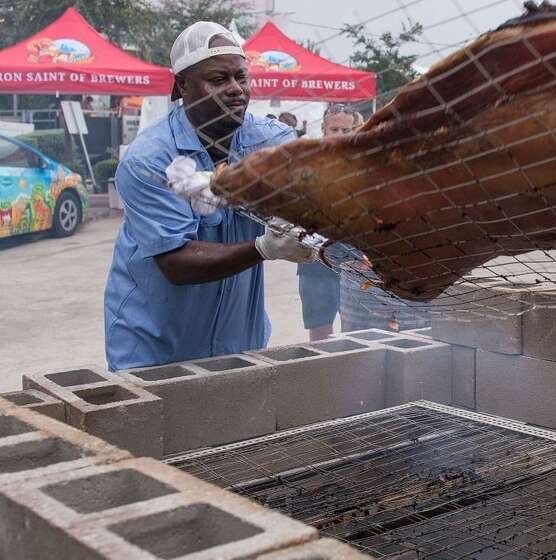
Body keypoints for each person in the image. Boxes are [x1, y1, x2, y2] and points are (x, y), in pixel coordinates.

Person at [103, 21, 314, 370]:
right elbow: (177, 263)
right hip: (154, 350)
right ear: (182, 86)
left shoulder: (271, 144)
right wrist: (264, 248)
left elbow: (317, 188)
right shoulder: (150, 160)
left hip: (239, 343)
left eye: (241, 77)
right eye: (218, 80)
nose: (236, 89)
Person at [297, 104, 363, 341]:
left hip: (356, 259)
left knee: (358, 328)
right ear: (324, 129)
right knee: (319, 328)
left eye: (346, 130)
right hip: (315, 261)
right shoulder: (308, 163)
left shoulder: (364, 165)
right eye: (334, 129)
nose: (340, 135)